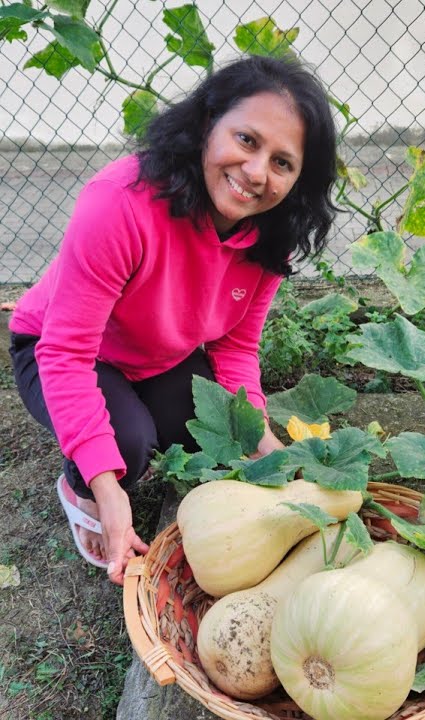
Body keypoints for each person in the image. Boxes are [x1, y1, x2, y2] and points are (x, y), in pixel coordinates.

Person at [7, 55, 339, 586]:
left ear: (299, 180)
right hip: (58, 347)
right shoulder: (120, 203)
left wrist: (263, 441)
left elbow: (234, 348)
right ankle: (79, 490)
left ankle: (116, 440)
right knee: (125, 449)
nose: (256, 173)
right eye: (247, 140)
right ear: (208, 124)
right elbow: (65, 353)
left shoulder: (269, 237)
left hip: (156, 355)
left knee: (207, 432)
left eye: (283, 162)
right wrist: (109, 490)